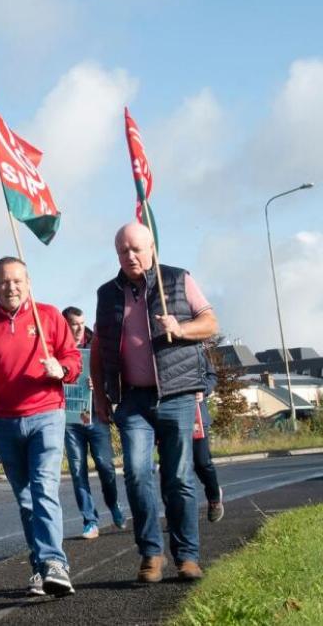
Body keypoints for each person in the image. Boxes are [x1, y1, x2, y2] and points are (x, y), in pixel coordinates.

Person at [91, 222, 218, 583]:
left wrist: (181, 328)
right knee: (135, 474)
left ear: (152, 248)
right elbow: (99, 348)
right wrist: (101, 397)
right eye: (122, 250)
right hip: (131, 400)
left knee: (178, 478)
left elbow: (210, 322)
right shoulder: (106, 294)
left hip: (176, 395)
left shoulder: (177, 280)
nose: (129, 256)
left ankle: (187, 556)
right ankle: (150, 554)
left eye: (136, 249)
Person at [0, 258, 81, 596]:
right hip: (6, 420)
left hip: (46, 415)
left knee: (43, 489)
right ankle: (40, 566)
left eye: (17, 281)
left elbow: (73, 359)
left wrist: (62, 369)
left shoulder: (49, 316)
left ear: (28, 283)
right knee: (26, 500)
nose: (11, 287)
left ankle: (56, 563)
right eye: (3, 282)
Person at [61, 306, 125, 540]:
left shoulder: (97, 345)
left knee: (105, 465)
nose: (78, 328)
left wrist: (99, 385)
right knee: (78, 471)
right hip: (71, 420)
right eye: (73, 324)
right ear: (64, 325)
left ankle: (113, 503)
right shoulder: (57, 348)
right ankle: (90, 520)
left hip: (96, 415)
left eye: (81, 323)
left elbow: (114, 375)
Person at [194, 361, 224, 522]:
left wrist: (203, 389)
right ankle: (178, 517)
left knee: (201, 462)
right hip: (167, 414)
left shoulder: (192, 343)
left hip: (196, 415)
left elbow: (211, 375)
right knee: (174, 470)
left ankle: (214, 498)